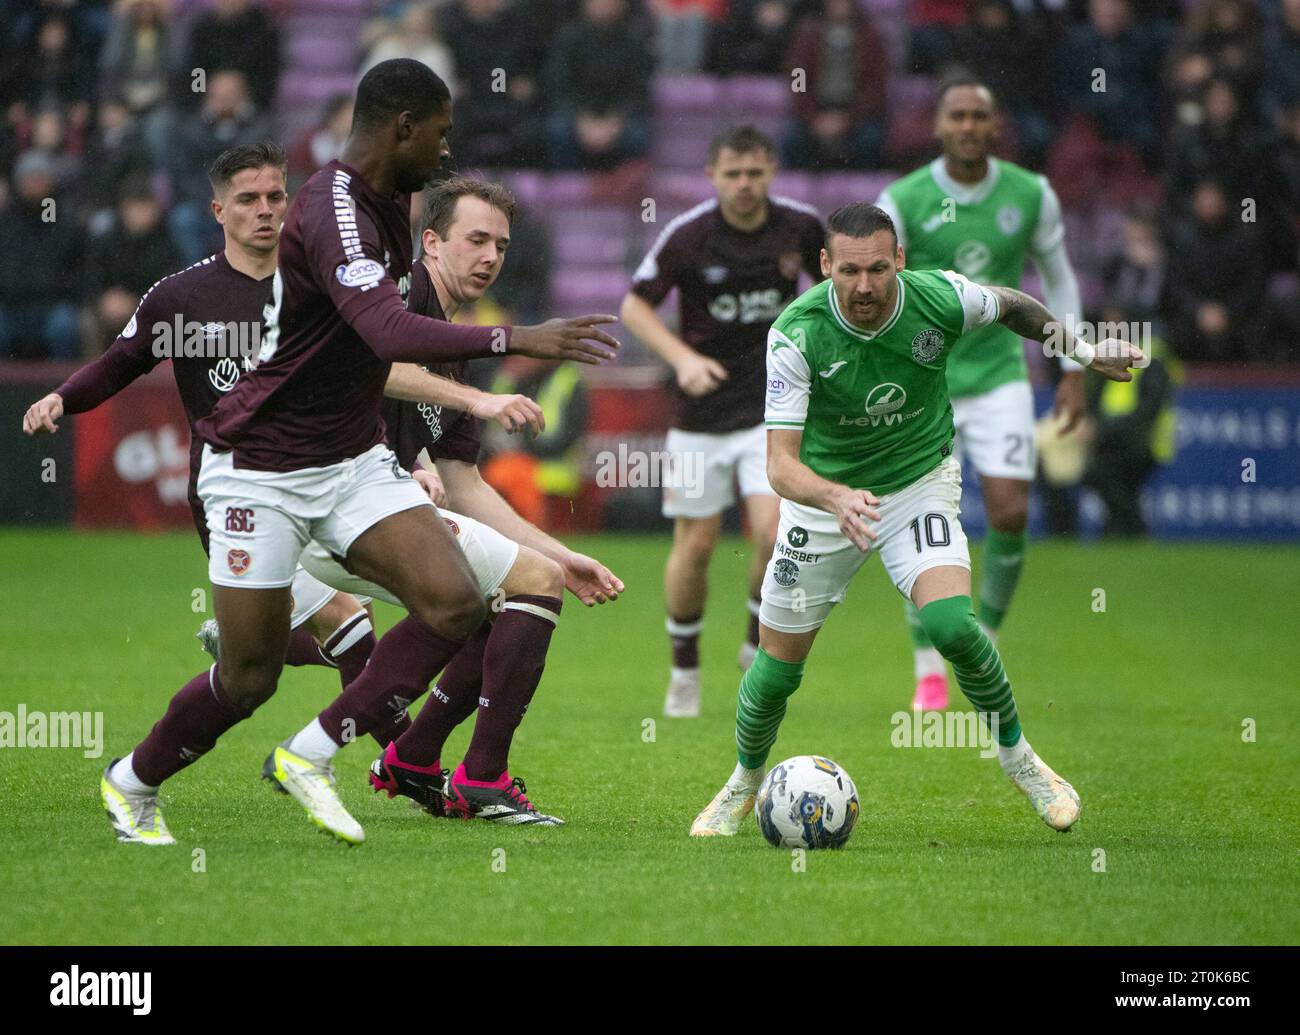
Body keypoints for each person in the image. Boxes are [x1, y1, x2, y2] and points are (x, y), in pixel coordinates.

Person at [90, 59, 619, 846]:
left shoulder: (391, 208)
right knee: (248, 677)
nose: (445, 152)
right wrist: (515, 339)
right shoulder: (333, 206)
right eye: (440, 133)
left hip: (348, 465)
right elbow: (387, 335)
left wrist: (549, 544)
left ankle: (311, 755)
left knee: (456, 600)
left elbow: (441, 437)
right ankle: (132, 782)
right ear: (403, 125)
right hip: (259, 468)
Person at [689, 203, 1145, 838]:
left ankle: (1021, 761)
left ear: (900, 259)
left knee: (951, 625)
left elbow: (1012, 303)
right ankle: (742, 781)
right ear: (825, 266)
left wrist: (1082, 351)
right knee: (776, 670)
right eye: (849, 271)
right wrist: (836, 497)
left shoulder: (940, 298)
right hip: (824, 501)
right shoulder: (797, 333)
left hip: (917, 486)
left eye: (879, 268)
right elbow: (780, 468)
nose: (866, 286)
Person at [282, 176, 625, 825]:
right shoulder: (393, 295)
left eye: (501, 244)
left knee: (520, 586)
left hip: (347, 514)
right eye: (476, 239)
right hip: (314, 504)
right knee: (518, 586)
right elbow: (374, 361)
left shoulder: (456, 346)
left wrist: (560, 552)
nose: (491, 255)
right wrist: (479, 399)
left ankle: (410, 755)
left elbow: (465, 484)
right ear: (432, 241)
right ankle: (476, 775)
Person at [875, 78, 1085, 712]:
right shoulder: (904, 197)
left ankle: (981, 640)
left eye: (979, 116)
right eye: (957, 116)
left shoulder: (1031, 194)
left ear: (995, 127)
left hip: (999, 376)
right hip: (924, 377)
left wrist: (1073, 364)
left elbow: (1059, 281)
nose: (968, 126)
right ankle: (927, 672)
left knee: (1010, 514)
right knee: (917, 518)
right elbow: (881, 292)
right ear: (938, 126)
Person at [620, 125, 823, 718]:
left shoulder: (801, 229)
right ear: (712, 175)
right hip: (701, 419)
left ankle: (753, 639)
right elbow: (634, 305)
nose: (744, 185)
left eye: (755, 173)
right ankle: (684, 670)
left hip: (773, 414)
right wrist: (682, 358)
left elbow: (835, 288)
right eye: (733, 174)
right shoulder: (688, 237)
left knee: (773, 533)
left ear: (772, 172)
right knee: (698, 542)